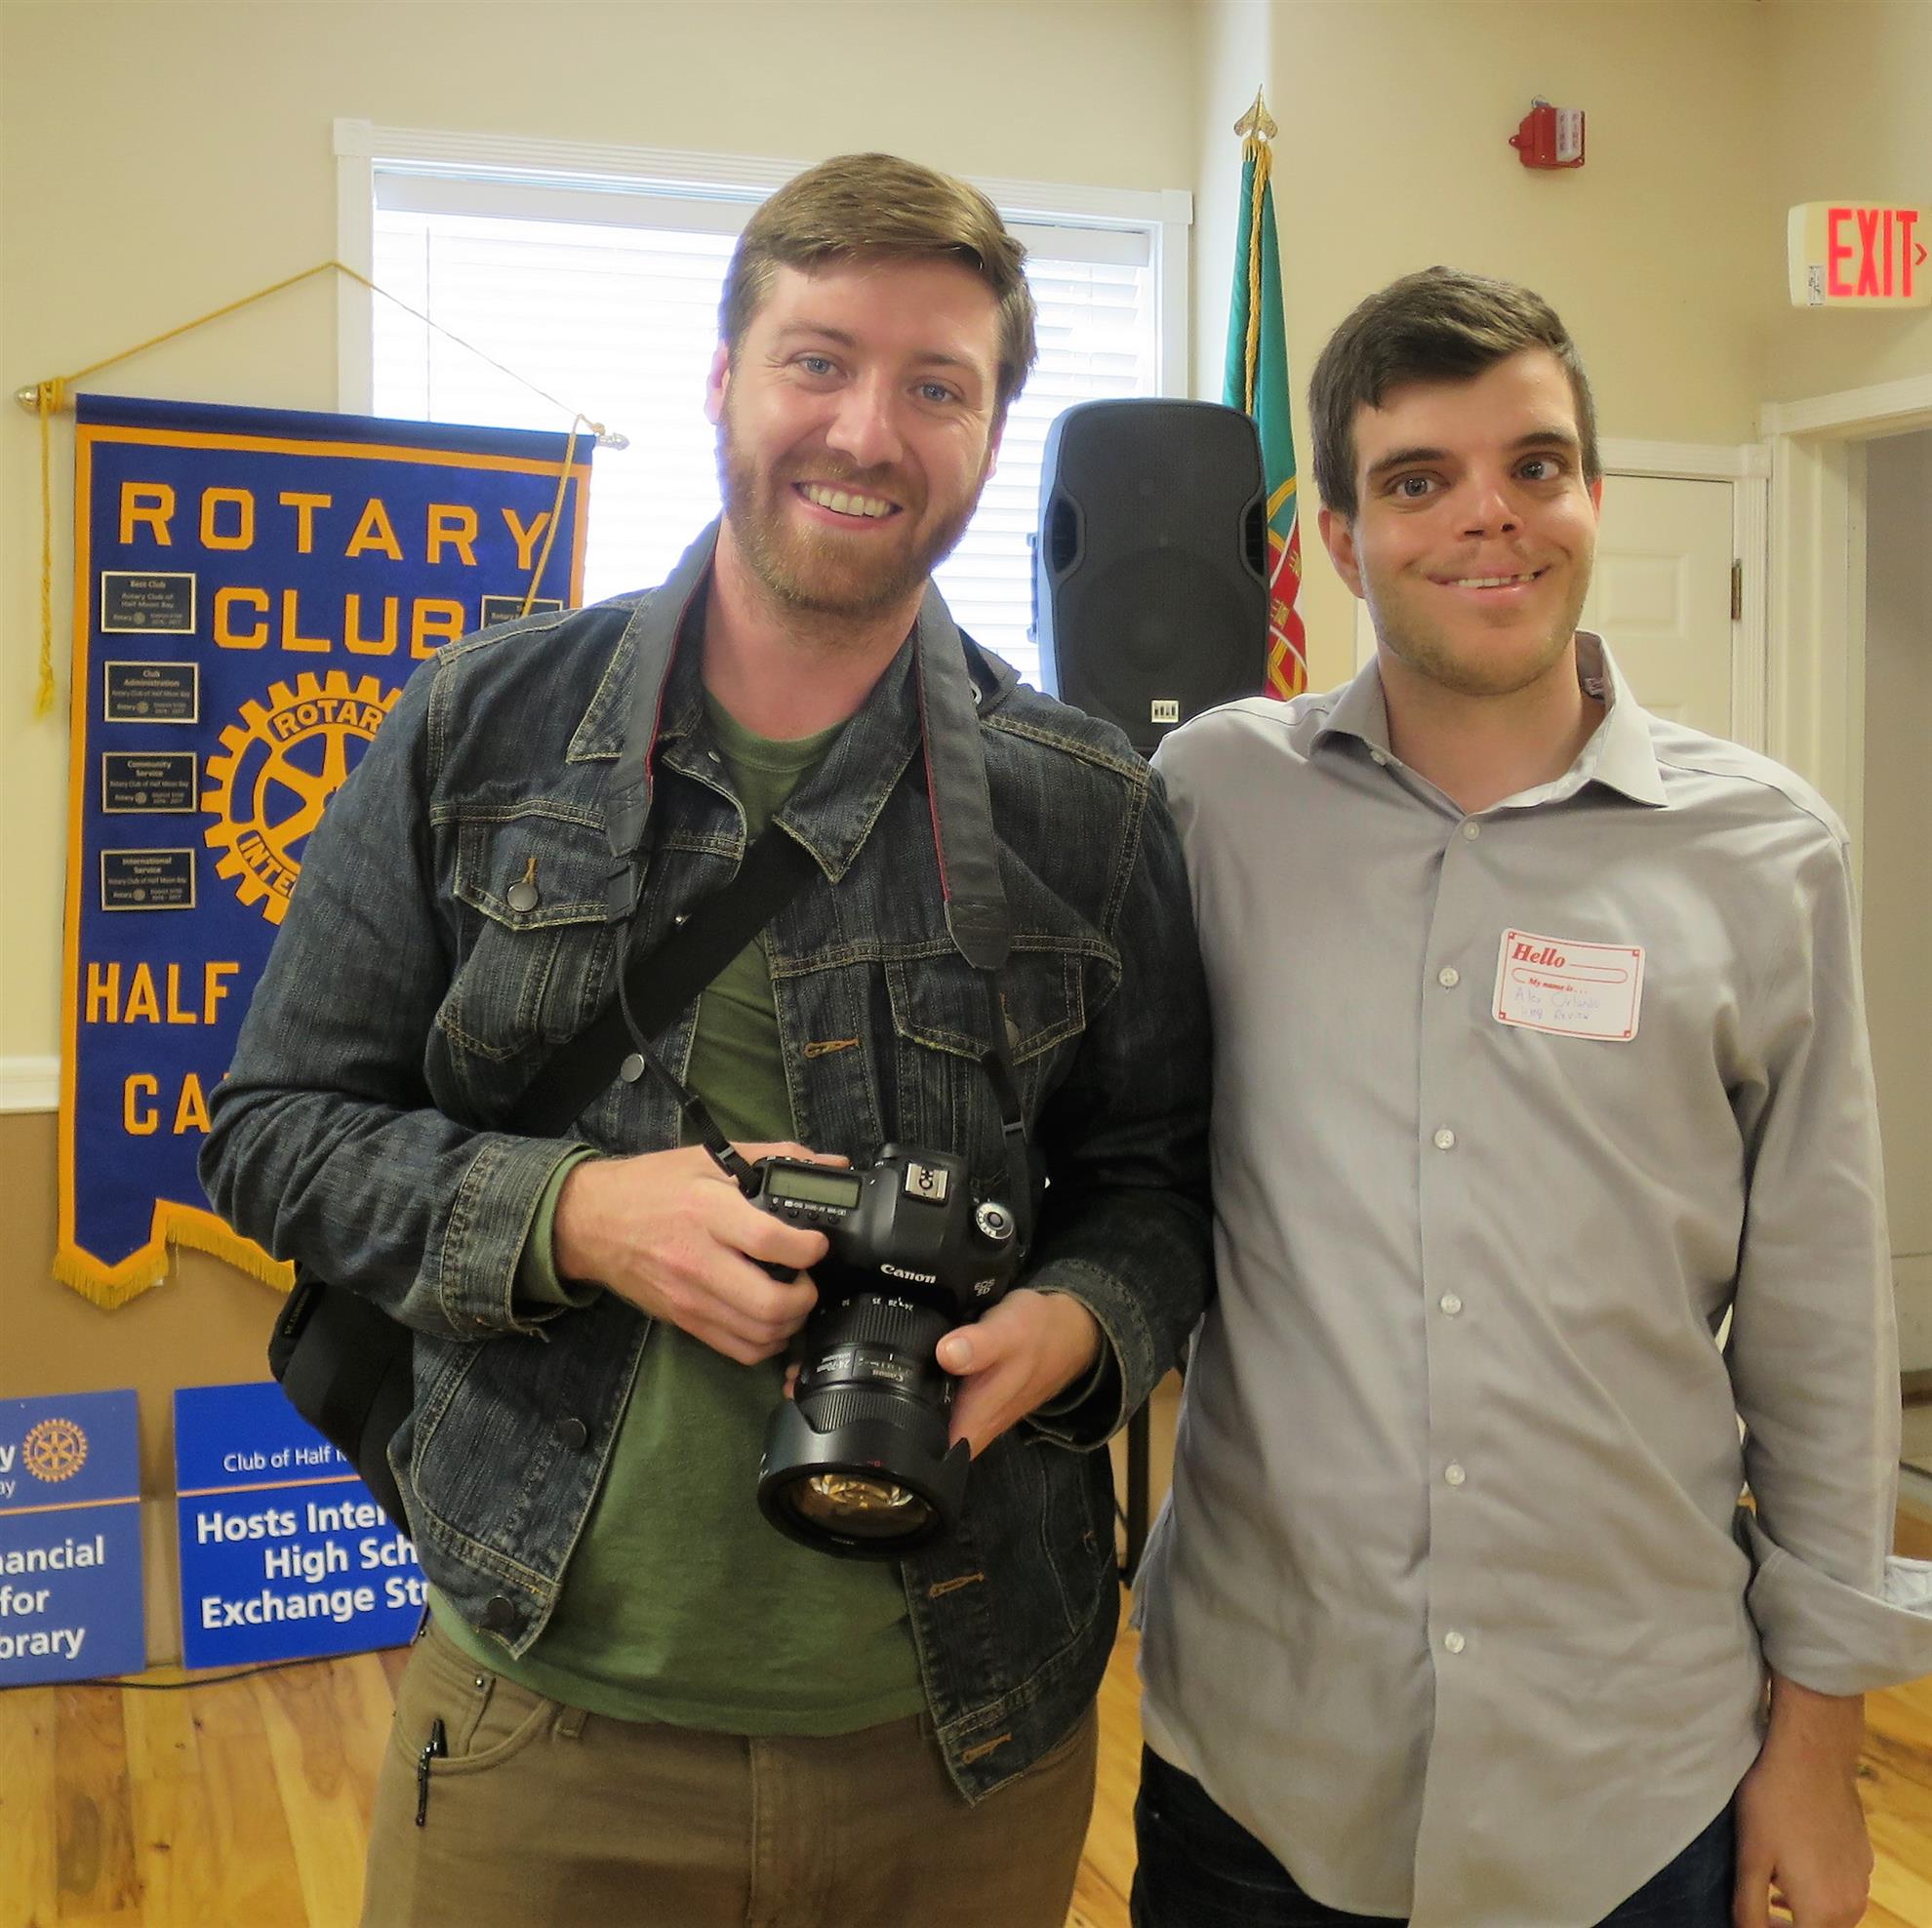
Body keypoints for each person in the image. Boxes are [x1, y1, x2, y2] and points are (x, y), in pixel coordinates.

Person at [201, 151, 1212, 1927]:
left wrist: (1077, 1321)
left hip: (969, 1736)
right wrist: (574, 1218)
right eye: (817, 360)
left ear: (992, 433)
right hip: (545, 1726)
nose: (868, 431)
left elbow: (1156, 1187)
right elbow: (271, 1129)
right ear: (725, 380)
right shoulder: (476, 733)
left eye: (937, 385)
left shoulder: (1090, 811)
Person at [1132, 267, 1932, 1928]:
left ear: (1589, 494)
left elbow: (1824, 1329)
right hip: (1265, 1766)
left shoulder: (1767, 853)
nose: (1488, 519)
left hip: (1631, 1783)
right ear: (1342, 540)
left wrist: (1819, 1741)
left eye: (1537, 465)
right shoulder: (1215, 799)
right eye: (1419, 480)